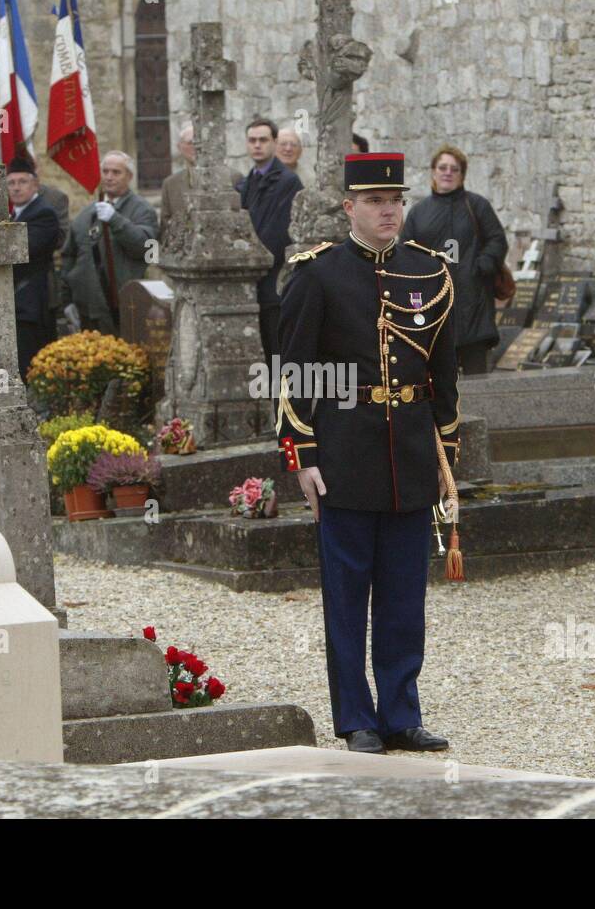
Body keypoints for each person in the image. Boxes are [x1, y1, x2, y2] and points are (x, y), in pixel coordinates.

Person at [277, 152, 459, 755]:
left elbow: (445, 373)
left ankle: (402, 713)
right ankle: (356, 716)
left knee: (405, 596)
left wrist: (445, 455)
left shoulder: (428, 271)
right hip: (344, 455)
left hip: (409, 455)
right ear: (349, 207)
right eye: (376, 202)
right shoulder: (317, 273)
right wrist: (302, 452)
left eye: (396, 201)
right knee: (349, 595)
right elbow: (296, 371)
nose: (389, 211)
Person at [402, 146, 508, 375]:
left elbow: (497, 240)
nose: (448, 173)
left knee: (477, 378)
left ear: (462, 175)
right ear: (433, 172)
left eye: (454, 169)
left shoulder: (477, 206)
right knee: (438, 381)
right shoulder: (419, 213)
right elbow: (406, 251)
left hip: (474, 304)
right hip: (434, 307)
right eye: (442, 168)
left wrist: (482, 265)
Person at [61, 150, 159, 335]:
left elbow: (149, 251)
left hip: (124, 310)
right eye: (105, 171)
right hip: (88, 311)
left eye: (116, 172)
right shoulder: (86, 214)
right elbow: (69, 257)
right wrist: (67, 301)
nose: (109, 177)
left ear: (129, 176)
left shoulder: (142, 210)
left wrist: (116, 220)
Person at [235, 118, 303, 362]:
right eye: (252, 140)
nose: (257, 145)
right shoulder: (246, 181)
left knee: (277, 353)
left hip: (272, 281)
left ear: (274, 143)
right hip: (250, 280)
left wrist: (250, 256)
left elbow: (279, 233)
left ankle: (283, 401)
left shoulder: (287, 182)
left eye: (263, 140)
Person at [5, 156, 63, 377]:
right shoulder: (15, 214)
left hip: (33, 303)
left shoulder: (43, 213)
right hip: (18, 302)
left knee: (31, 364)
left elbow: (22, 250)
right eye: (11, 183)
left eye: (22, 182)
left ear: (35, 184)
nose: (16, 188)